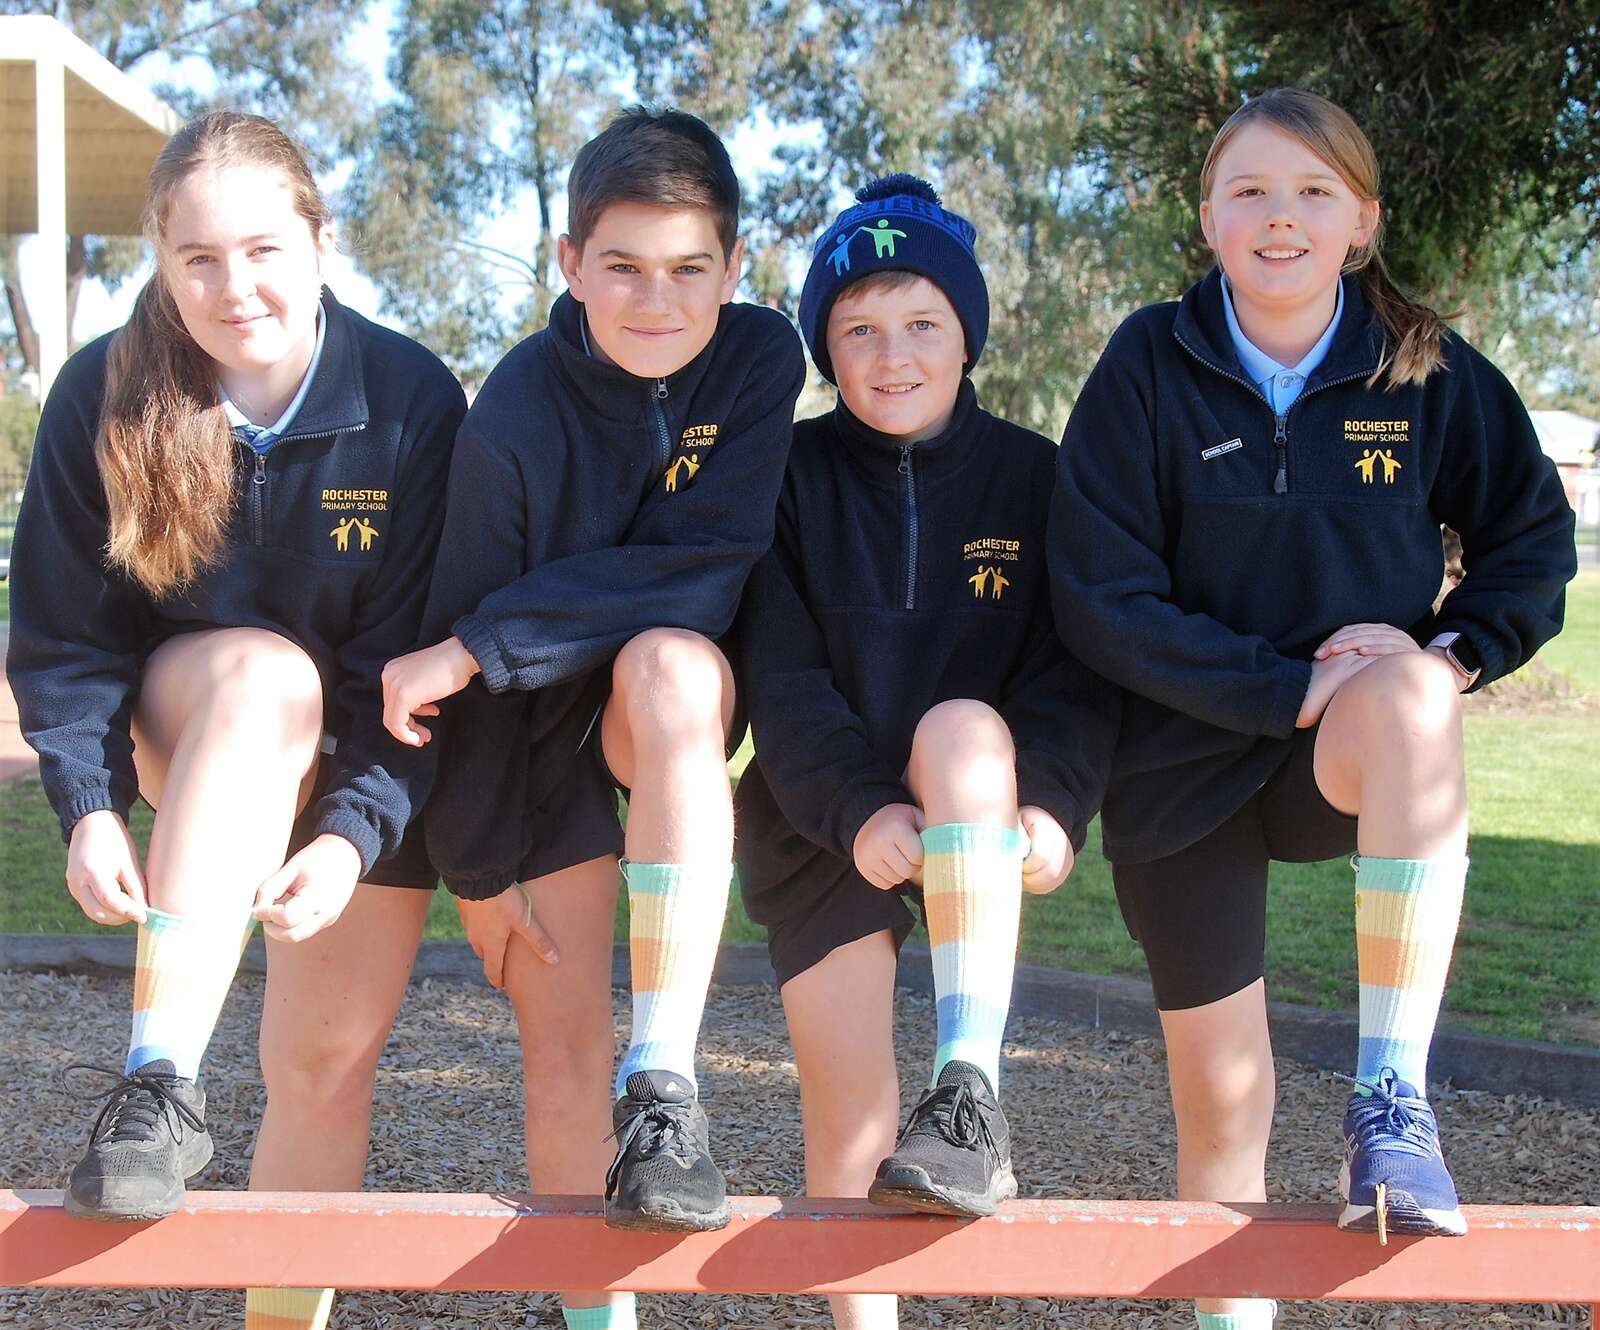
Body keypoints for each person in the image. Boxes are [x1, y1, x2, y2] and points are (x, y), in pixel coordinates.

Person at [1049, 87, 1576, 1329]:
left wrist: (1448, 653)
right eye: (1249, 191)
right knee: (1225, 1104)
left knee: (1408, 695)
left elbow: (1529, 540)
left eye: (1312, 192)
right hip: (1182, 757)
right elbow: (1097, 596)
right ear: (1208, 219)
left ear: (1361, 220)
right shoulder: (1145, 362)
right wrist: (1287, 684)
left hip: (1347, 750)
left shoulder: (1424, 365)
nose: (1279, 217)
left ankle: (1390, 1104)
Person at [6, 111, 464, 1328]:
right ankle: (156, 1080)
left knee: (319, 1067)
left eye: (262, 248)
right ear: (158, 257)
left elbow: (417, 661)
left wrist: (354, 830)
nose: (233, 285)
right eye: (197, 257)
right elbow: (62, 637)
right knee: (267, 675)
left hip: (364, 769)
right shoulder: (105, 392)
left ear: (322, 238)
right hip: (200, 721)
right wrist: (94, 807)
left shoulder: (412, 401)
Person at [380, 105, 804, 1326]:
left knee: (670, 663)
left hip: (668, 710)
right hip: (534, 734)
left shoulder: (760, 360)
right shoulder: (513, 412)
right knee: (559, 1048)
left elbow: (712, 559)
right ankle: (594, 1319)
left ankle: (665, 1076)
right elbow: (458, 651)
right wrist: (478, 865)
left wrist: (483, 643)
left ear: (733, 265)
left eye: (688, 269)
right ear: (569, 265)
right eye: (620, 266)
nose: (656, 300)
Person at [736, 175, 1118, 1330]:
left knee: (961, 727)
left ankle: (972, 1093)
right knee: (850, 1110)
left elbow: (1076, 663)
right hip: (824, 816)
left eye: (920, 324)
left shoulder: (1038, 478)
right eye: (856, 329)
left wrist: (1051, 804)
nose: (890, 355)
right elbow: (780, 676)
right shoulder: (788, 480)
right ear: (825, 350)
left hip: (977, 804)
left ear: (968, 334)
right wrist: (854, 808)